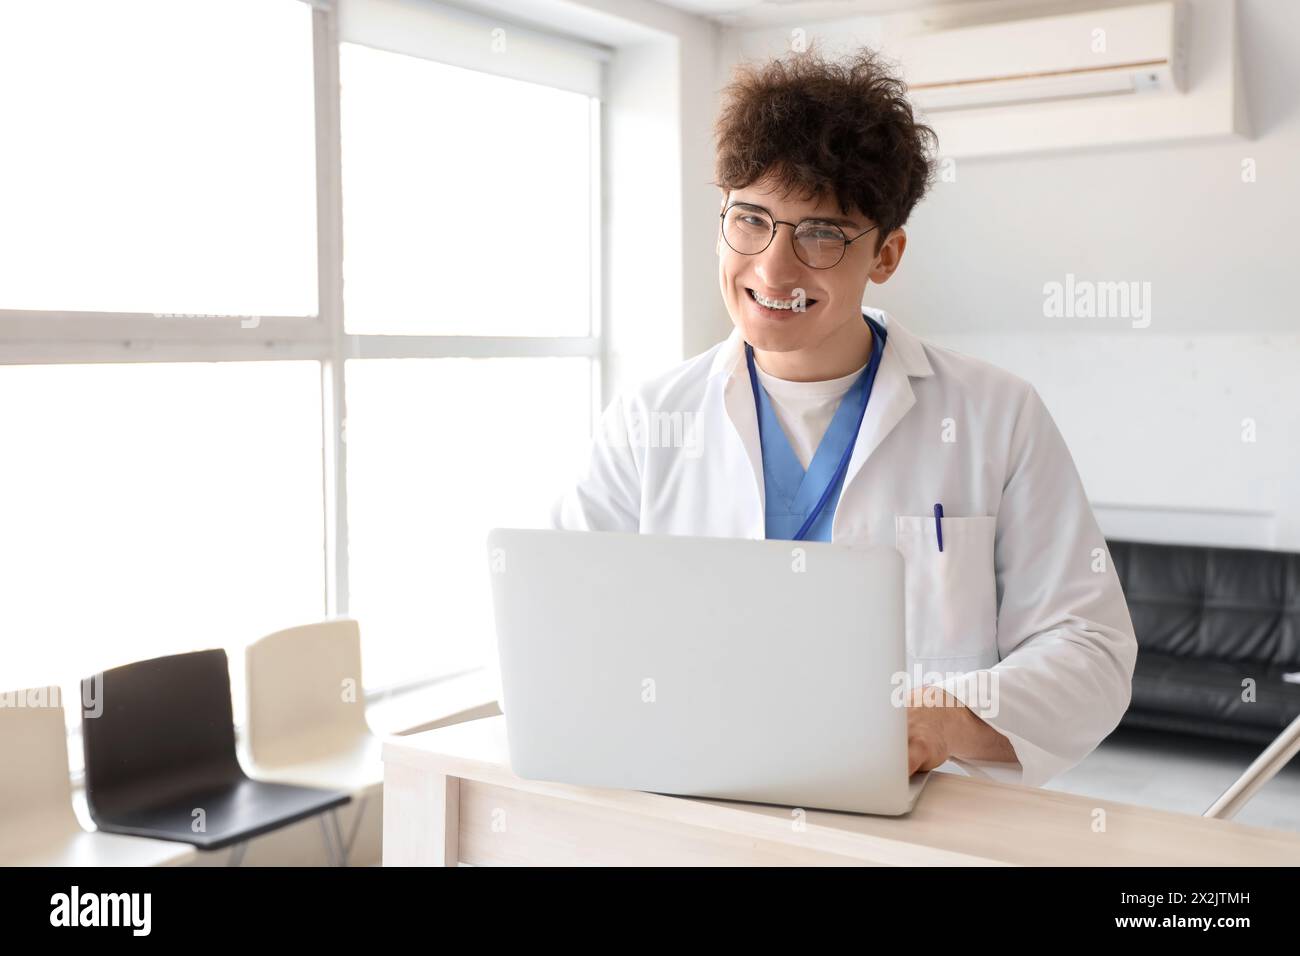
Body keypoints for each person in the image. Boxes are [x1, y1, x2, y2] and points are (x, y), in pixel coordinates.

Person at [550, 45, 1136, 789]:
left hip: (920, 820)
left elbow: (1091, 648)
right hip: (696, 798)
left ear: (886, 254)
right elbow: (562, 614)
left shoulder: (997, 414)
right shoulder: (650, 418)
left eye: (820, 234)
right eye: (751, 219)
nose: (772, 267)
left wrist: (941, 721)